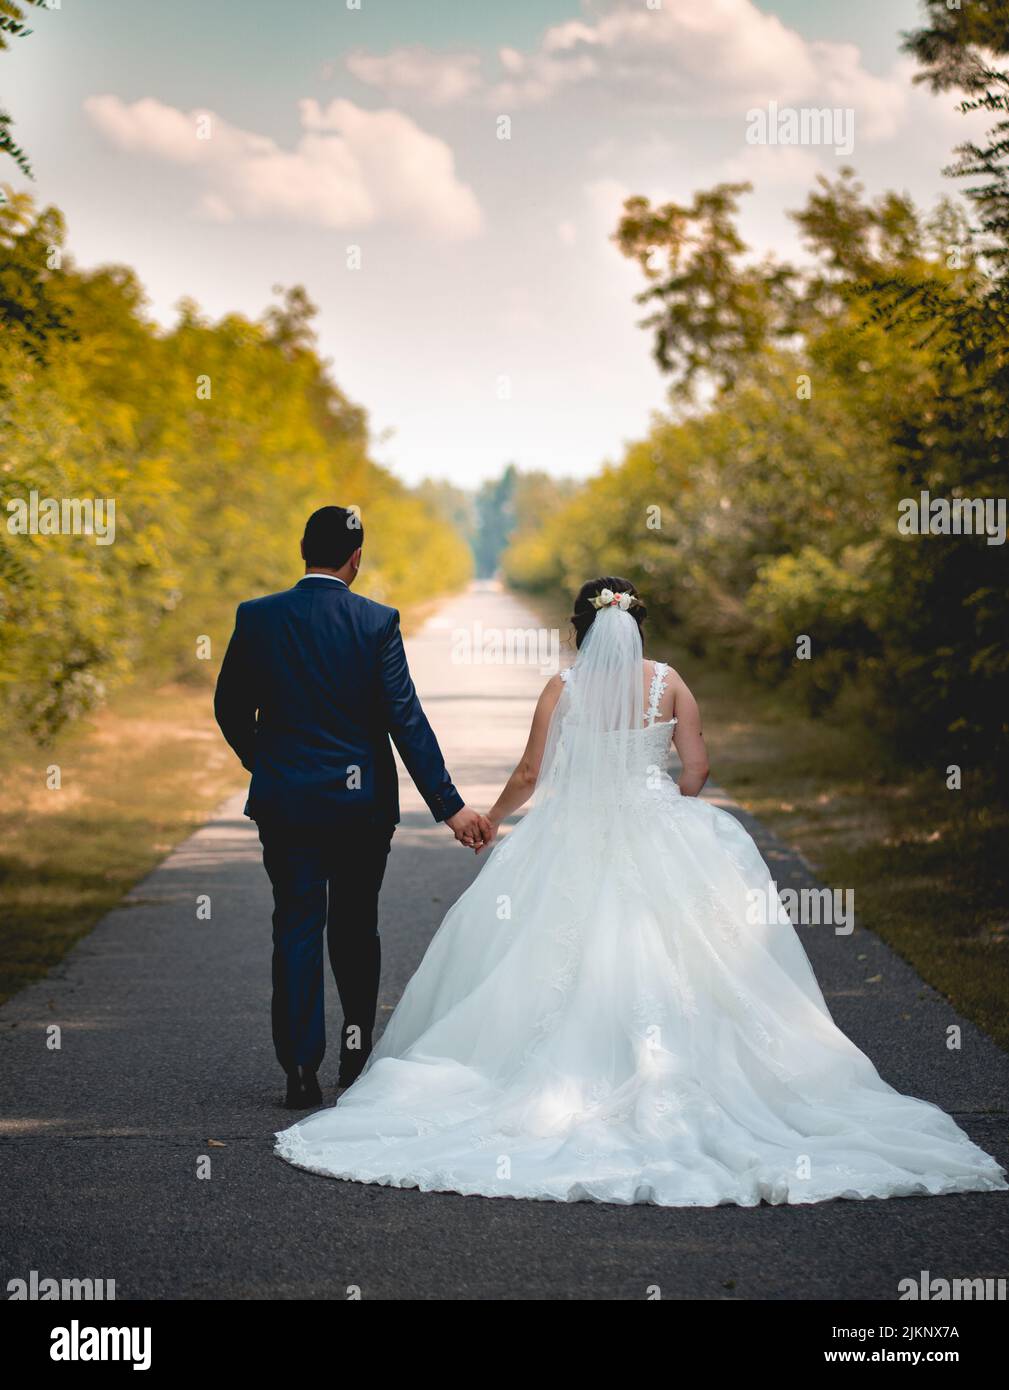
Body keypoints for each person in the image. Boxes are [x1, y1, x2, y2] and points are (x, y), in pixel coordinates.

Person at [273, 575, 1007, 1207]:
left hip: (571, 833)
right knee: (694, 961)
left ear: (579, 627)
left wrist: (487, 823)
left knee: (539, 956)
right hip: (657, 825)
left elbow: (531, 776)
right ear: (634, 624)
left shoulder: (563, 686)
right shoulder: (668, 682)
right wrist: (664, 794)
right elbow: (696, 771)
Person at [214, 505, 489, 1109]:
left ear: (303, 550)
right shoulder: (375, 622)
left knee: (296, 925)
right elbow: (405, 720)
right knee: (356, 927)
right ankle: (355, 1056)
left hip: (287, 804)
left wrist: (265, 765)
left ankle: (299, 1071)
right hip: (360, 807)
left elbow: (230, 709)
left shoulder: (257, 617)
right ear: (356, 559)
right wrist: (451, 807)